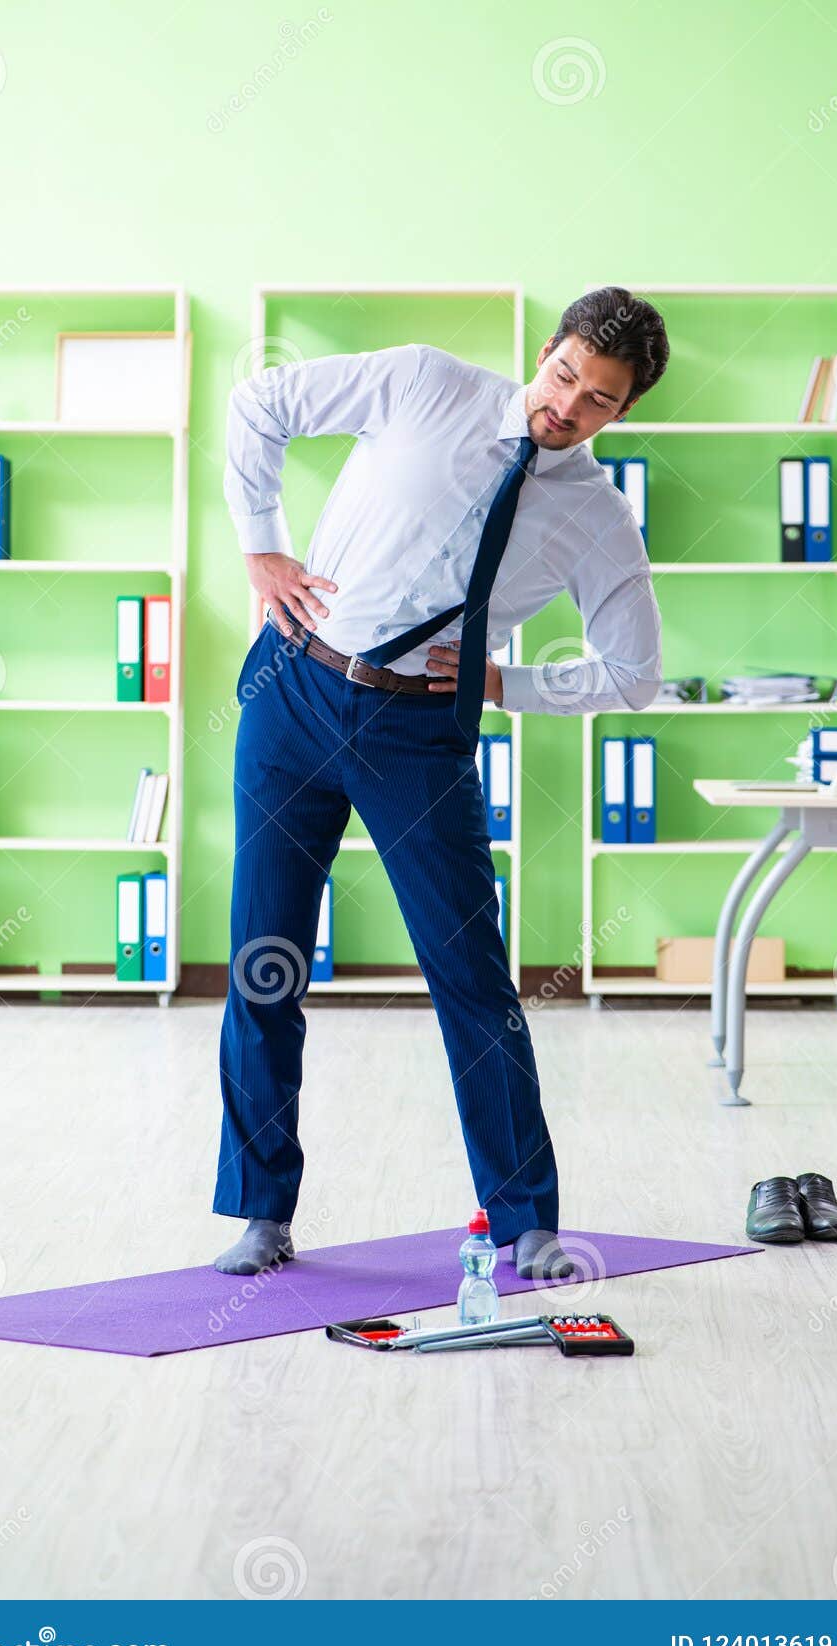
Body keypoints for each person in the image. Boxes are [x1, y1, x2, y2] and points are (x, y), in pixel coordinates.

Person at [213, 285, 670, 1279]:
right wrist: (260, 545)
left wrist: (511, 682)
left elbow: (635, 670)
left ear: (622, 411)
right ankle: (258, 1211)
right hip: (295, 685)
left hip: (420, 733)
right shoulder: (424, 382)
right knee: (265, 959)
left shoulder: (598, 519)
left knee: (470, 977)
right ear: (545, 349)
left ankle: (527, 1219)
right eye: (563, 376)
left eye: (596, 400)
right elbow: (260, 406)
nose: (565, 407)